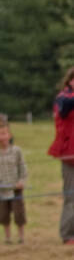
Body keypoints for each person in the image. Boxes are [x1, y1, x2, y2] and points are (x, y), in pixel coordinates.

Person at [0, 120, 27, 243]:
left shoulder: (17, 151)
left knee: (19, 213)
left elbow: (23, 168)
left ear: (9, 135)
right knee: (3, 215)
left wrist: (22, 181)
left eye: (4, 133)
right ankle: (7, 237)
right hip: (1, 190)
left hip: (16, 189)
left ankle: (21, 237)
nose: (2, 137)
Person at [48, 65, 74, 245]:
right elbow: (63, 108)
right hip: (69, 153)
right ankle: (67, 233)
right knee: (71, 195)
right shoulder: (63, 97)